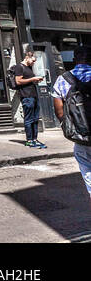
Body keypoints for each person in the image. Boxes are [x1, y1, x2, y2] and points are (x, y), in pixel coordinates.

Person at [51, 45, 91, 206]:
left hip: (81, 136)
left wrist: (68, 127)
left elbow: (59, 110)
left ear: (75, 59)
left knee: (88, 174)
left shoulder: (63, 79)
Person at [9, 50, 46, 149]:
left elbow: (28, 81)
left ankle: (34, 139)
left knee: (35, 118)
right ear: (27, 57)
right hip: (26, 96)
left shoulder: (29, 68)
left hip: (33, 95)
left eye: (34, 61)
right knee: (29, 119)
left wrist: (36, 80)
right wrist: (32, 79)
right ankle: (29, 140)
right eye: (32, 61)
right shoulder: (19, 67)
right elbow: (18, 81)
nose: (33, 63)